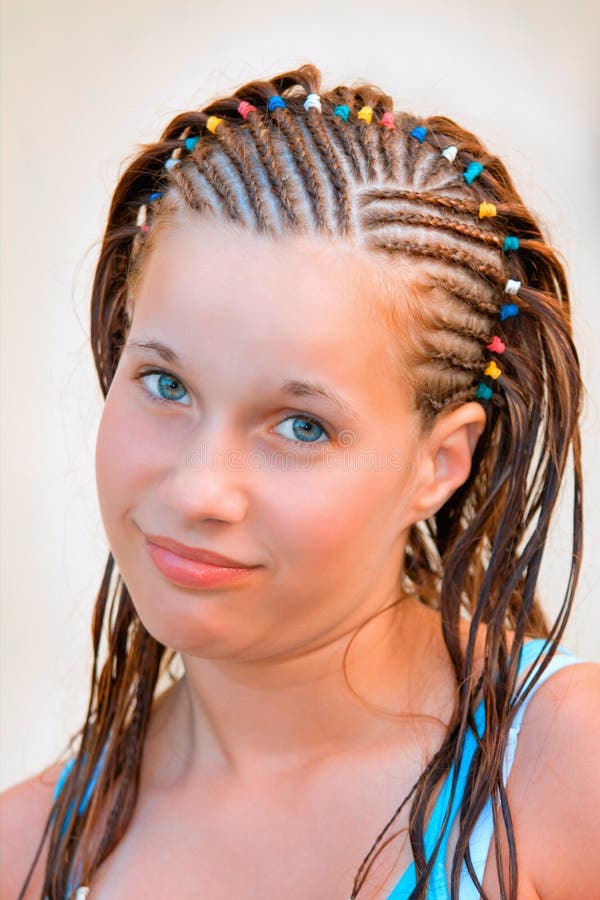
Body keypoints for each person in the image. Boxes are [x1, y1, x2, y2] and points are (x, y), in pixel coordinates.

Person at [1, 63, 599, 900]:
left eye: (301, 425)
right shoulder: (29, 856)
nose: (198, 490)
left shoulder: (561, 771)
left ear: (440, 463)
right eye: (167, 384)